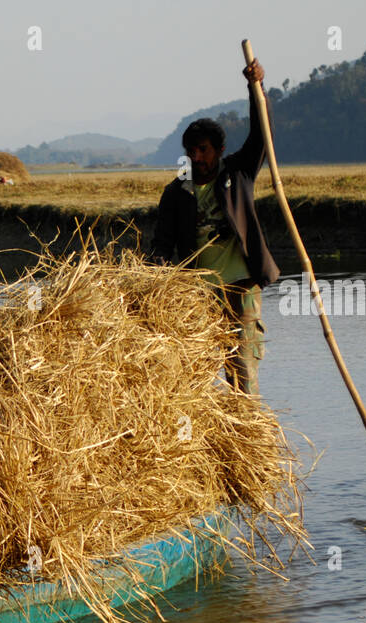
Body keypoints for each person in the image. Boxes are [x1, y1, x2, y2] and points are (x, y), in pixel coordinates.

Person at [152, 58, 279, 396]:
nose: (197, 158)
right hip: (199, 292)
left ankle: (246, 422)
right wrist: (155, 284)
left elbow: (261, 134)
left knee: (241, 359)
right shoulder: (176, 192)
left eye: (203, 150)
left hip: (241, 285)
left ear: (219, 151)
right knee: (196, 362)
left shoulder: (237, 173)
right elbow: (162, 246)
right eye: (190, 152)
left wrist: (257, 90)